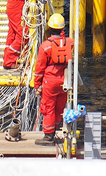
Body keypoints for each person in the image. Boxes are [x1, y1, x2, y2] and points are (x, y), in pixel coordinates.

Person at [33, 13, 74, 145]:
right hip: (64, 80)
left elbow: (39, 68)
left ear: (49, 28)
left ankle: (48, 136)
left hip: (50, 80)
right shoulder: (70, 43)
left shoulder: (45, 46)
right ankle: (56, 130)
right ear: (62, 28)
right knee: (59, 107)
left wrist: (37, 85)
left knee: (48, 107)